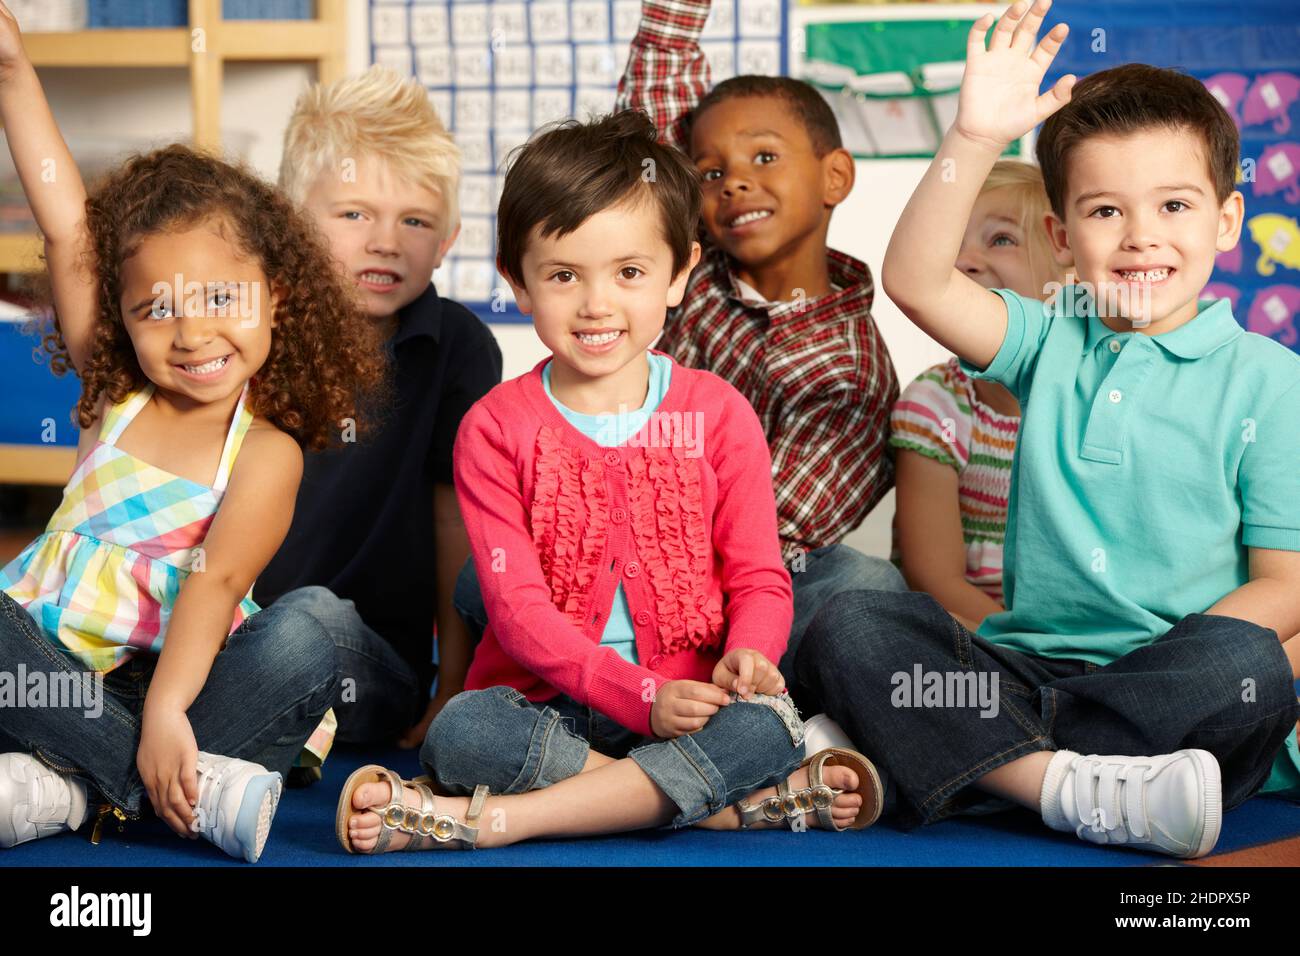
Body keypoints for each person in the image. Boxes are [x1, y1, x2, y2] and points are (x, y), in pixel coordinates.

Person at [800, 0, 1300, 859]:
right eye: (1106, 213)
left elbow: (1285, 585)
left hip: (1172, 679)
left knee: (1249, 666)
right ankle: (1062, 786)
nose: (1141, 237)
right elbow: (916, 282)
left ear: (1225, 220)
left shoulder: (1273, 380)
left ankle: (972, 762)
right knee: (852, 625)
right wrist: (972, 137)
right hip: (1027, 667)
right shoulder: (1047, 337)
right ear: (1063, 239)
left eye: (1174, 206)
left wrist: (1156, 672)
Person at [336, 110, 882, 853]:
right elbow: (518, 613)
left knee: (768, 725)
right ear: (518, 282)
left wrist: (751, 653)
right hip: (550, 708)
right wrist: (637, 696)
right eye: (563, 275)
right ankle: (727, 808)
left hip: (695, 704)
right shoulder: (495, 427)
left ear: (679, 274)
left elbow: (758, 575)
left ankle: (495, 820)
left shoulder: (719, 413)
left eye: (630, 273)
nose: (597, 304)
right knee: (463, 730)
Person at [0, 5, 381, 861]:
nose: (192, 331)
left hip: (189, 694)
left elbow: (218, 585)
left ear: (276, 296)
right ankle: (128, 785)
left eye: (220, 297)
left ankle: (71, 787)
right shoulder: (113, 396)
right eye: (156, 308)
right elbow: (67, 227)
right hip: (55, 685)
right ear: (121, 320)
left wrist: (169, 710)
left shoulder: (267, 451)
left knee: (312, 628)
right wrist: (13, 72)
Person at [253, 66, 502, 759]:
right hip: (225, 629)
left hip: (367, 663)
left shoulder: (458, 347)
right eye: (354, 214)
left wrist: (453, 686)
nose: (386, 241)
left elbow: (456, 522)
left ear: (447, 240)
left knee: (305, 624)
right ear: (293, 223)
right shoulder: (254, 329)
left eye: (415, 221)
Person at [890, 160, 1063, 630]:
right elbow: (934, 579)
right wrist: (1031, 652)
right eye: (954, 243)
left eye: (1001, 239)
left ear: (1066, 262)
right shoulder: (935, 404)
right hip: (975, 632)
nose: (964, 260)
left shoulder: (1096, 399)